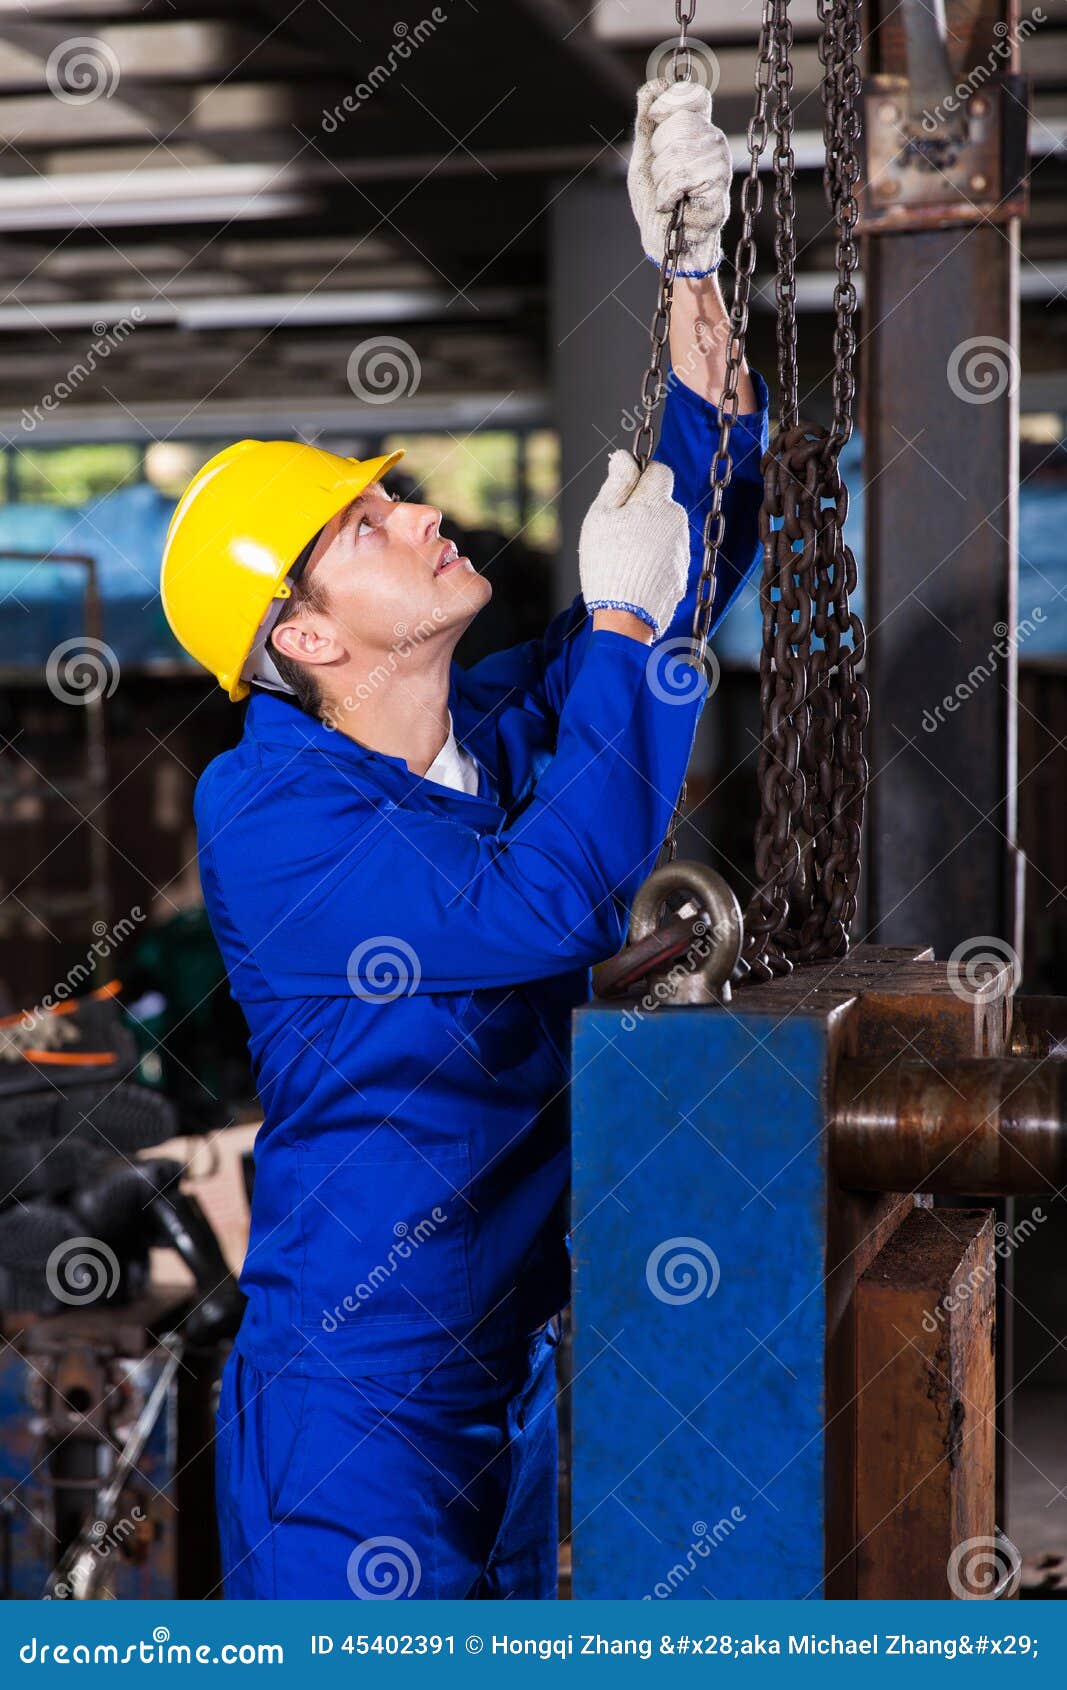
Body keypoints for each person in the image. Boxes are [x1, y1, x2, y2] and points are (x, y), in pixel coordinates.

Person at [160, 79, 769, 1601]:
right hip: (355, 1400)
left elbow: (692, 557)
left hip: (506, 1362)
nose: (420, 517)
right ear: (300, 633)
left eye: (393, 498)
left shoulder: (483, 734)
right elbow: (554, 899)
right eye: (366, 527)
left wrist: (693, 278)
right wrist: (620, 615)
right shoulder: (269, 815)